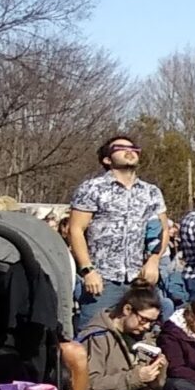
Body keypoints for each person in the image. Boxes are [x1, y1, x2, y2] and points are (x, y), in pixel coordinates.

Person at [79, 286, 195, 390]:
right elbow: (90, 384)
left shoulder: (143, 337)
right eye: (144, 320)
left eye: (152, 322)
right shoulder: (97, 337)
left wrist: (159, 371)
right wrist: (136, 377)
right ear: (127, 310)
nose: (147, 326)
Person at [65, 134, 166, 326]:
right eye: (121, 148)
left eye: (134, 149)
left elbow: (161, 229)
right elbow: (75, 229)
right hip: (102, 279)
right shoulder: (92, 188)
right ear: (107, 159)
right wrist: (88, 270)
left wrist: (154, 260)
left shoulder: (151, 192)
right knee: (92, 332)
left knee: (136, 333)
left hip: (138, 279)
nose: (130, 152)